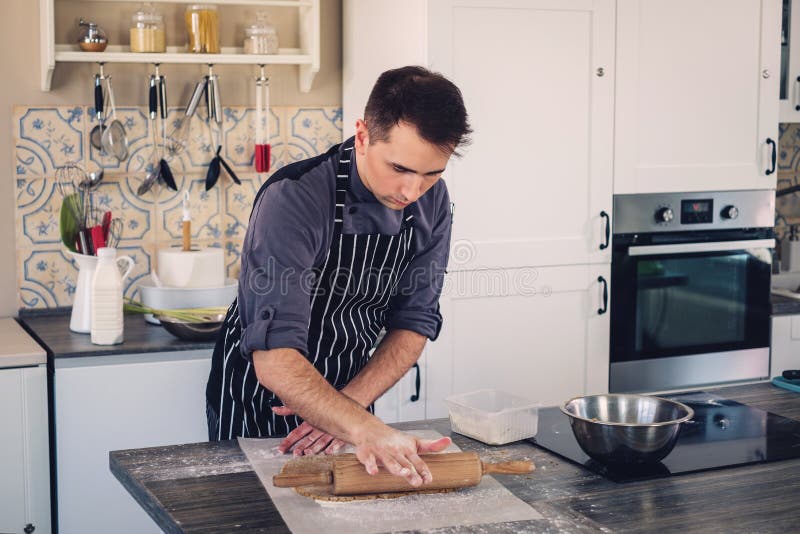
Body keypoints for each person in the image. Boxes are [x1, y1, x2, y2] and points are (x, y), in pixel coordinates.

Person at [206, 65, 471, 487]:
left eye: (432, 173)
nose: (412, 192)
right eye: (400, 168)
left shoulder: (432, 203)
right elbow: (274, 357)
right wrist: (361, 426)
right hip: (262, 407)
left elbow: (413, 321)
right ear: (363, 135)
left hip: (353, 399)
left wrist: (349, 410)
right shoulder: (295, 199)